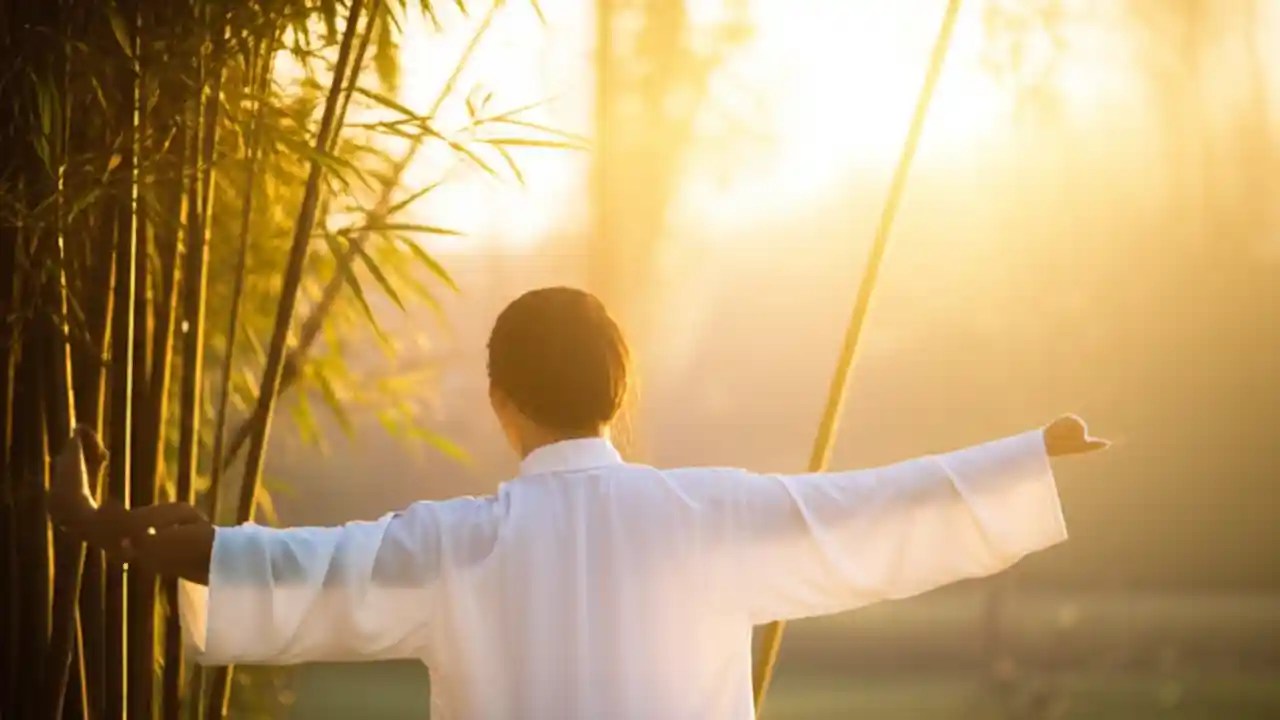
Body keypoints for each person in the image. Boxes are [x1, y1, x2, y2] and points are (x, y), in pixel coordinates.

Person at [50, 286, 1109, 719]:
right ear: (619, 394)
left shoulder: (452, 546)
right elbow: (868, 510)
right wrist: (1025, 457)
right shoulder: (710, 516)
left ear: (499, 403)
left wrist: (110, 526)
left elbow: (298, 566)